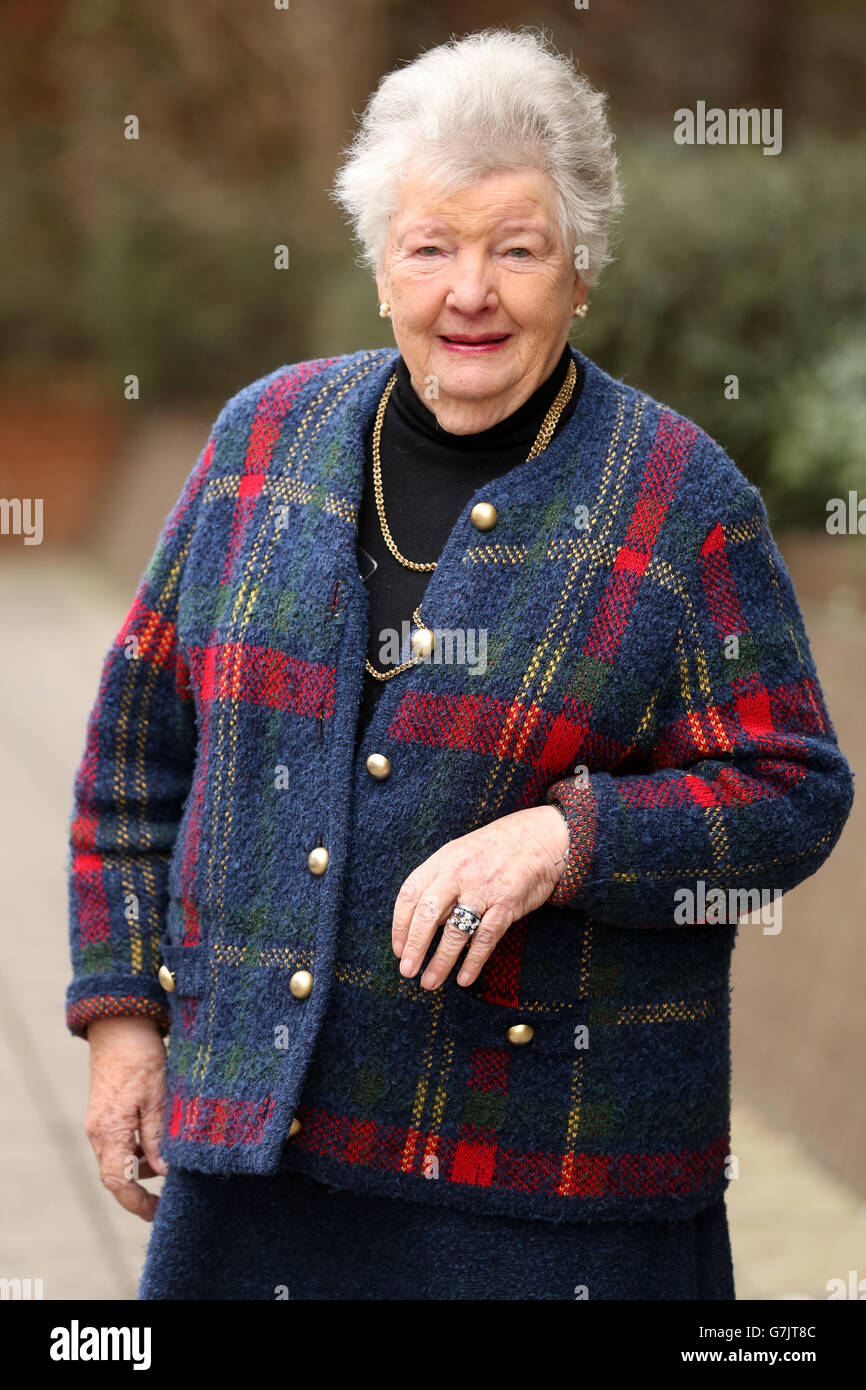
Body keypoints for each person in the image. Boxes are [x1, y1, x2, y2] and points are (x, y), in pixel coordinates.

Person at [67, 27, 854, 1300]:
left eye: (516, 248)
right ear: (379, 265)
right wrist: (121, 1024)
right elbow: (132, 762)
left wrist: (567, 840)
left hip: (548, 1201)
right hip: (256, 1177)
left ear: (580, 266)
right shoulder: (261, 443)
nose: (467, 291)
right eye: (429, 246)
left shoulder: (676, 499)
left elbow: (789, 788)